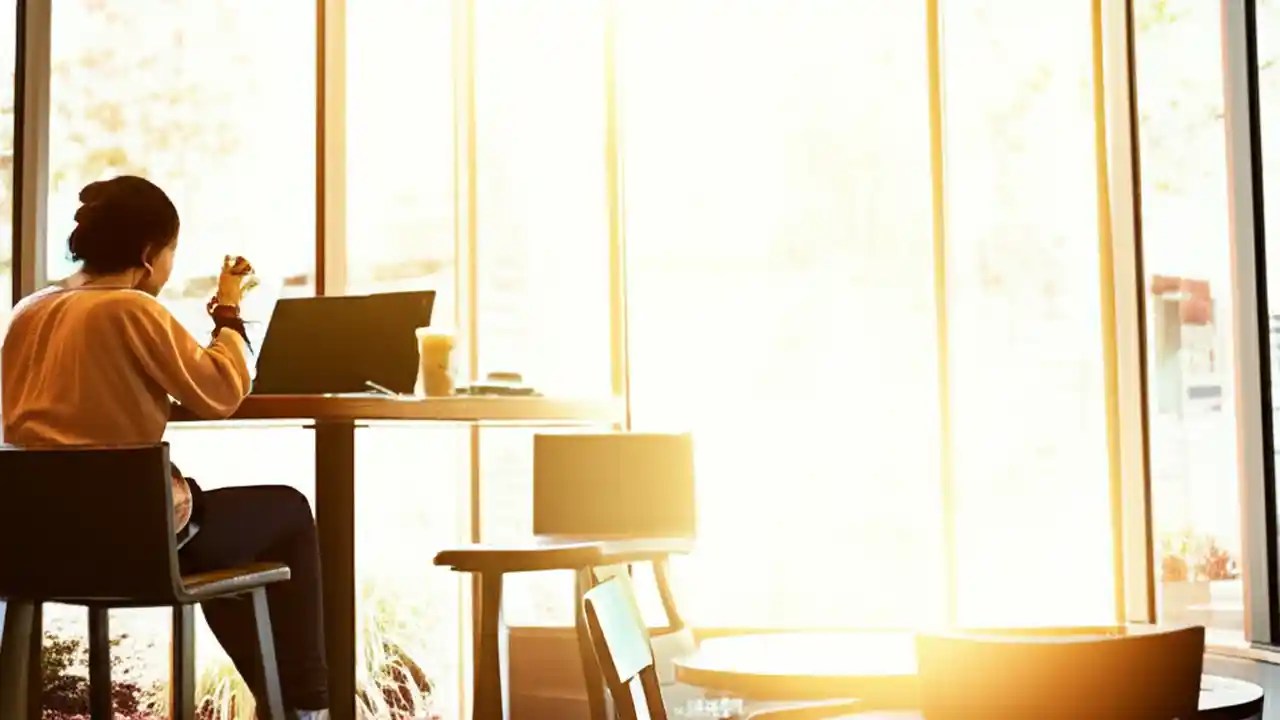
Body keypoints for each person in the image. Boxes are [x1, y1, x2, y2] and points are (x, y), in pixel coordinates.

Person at [0, 175, 329, 720]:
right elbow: (221, 392)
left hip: (33, 544)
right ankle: (310, 705)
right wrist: (227, 313)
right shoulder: (131, 309)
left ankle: (289, 706)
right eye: (172, 252)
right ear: (150, 254)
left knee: (212, 537)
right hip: (126, 541)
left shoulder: (26, 310)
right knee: (287, 509)